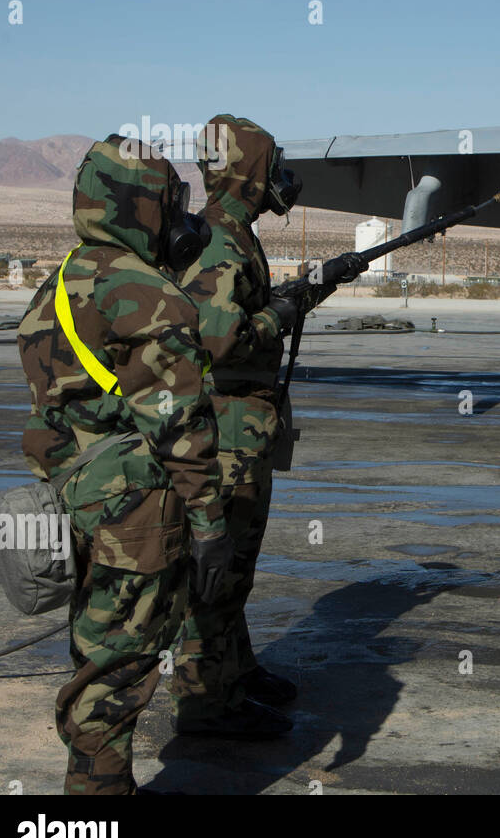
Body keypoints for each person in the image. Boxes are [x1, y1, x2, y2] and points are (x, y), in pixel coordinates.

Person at [17, 135, 229, 795]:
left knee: (95, 649)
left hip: (73, 500)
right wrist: (210, 521)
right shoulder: (144, 291)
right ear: (142, 208)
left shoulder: (60, 281)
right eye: (169, 205)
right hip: (134, 513)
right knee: (119, 671)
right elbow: (179, 424)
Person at [169, 115, 303, 737]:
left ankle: (235, 671)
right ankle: (204, 703)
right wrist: (279, 317)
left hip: (240, 426)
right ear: (252, 168)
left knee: (237, 564)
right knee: (220, 568)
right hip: (227, 433)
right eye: (271, 163)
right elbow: (219, 340)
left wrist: (299, 296)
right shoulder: (224, 239)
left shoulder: (229, 233)